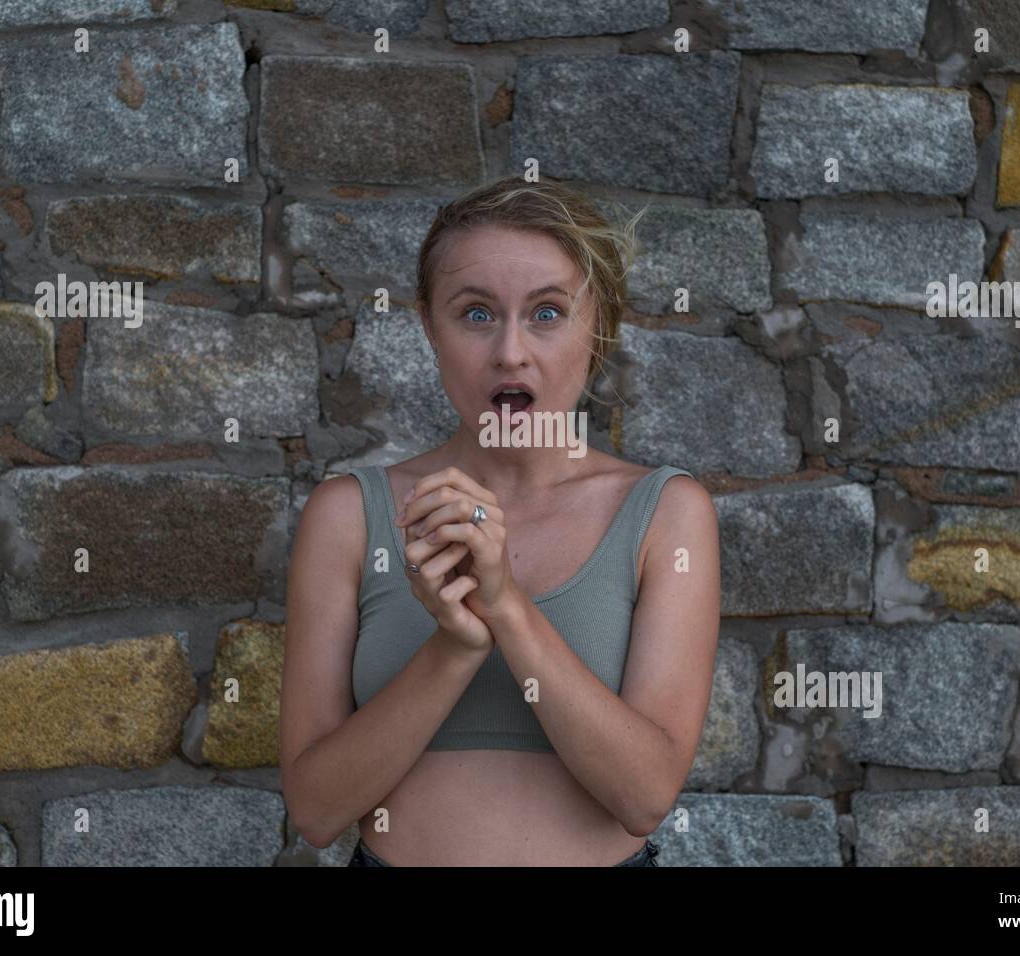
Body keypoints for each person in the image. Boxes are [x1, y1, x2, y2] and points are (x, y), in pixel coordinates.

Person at [280, 174, 721, 866]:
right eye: (477, 314)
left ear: (598, 324)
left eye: (547, 313)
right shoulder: (350, 516)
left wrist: (506, 608)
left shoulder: (667, 514)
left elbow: (643, 795)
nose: (510, 351)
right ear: (429, 325)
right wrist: (453, 648)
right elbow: (315, 810)